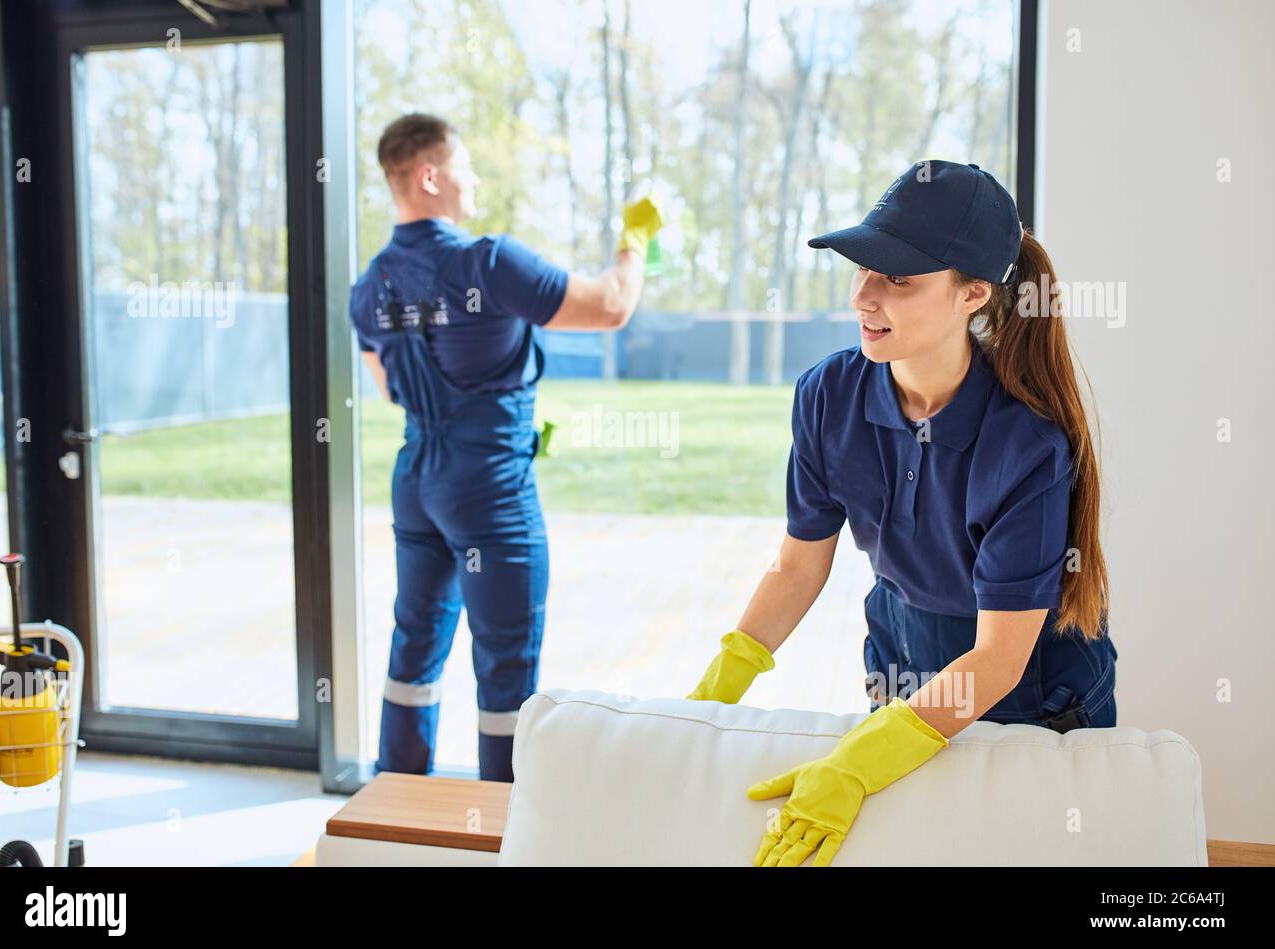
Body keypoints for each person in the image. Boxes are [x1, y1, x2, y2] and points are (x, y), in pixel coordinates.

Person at [687, 159, 1116, 866]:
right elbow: (799, 567)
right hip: (904, 671)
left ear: (973, 293)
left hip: (1034, 697)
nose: (864, 297)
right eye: (863, 270)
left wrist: (859, 764)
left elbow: (999, 659)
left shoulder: (1026, 446)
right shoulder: (829, 395)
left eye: (899, 279)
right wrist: (720, 684)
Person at [350, 113, 663, 782]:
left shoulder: (369, 285)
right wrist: (635, 240)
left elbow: (391, 388)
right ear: (430, 176)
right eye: (464, 165)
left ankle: (395, 811)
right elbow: (609, 306)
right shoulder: (486, 263)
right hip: (488, 491)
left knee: (414, 646)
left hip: (418, 484)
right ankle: (502, 827)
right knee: (504, 663)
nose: (475, 178)